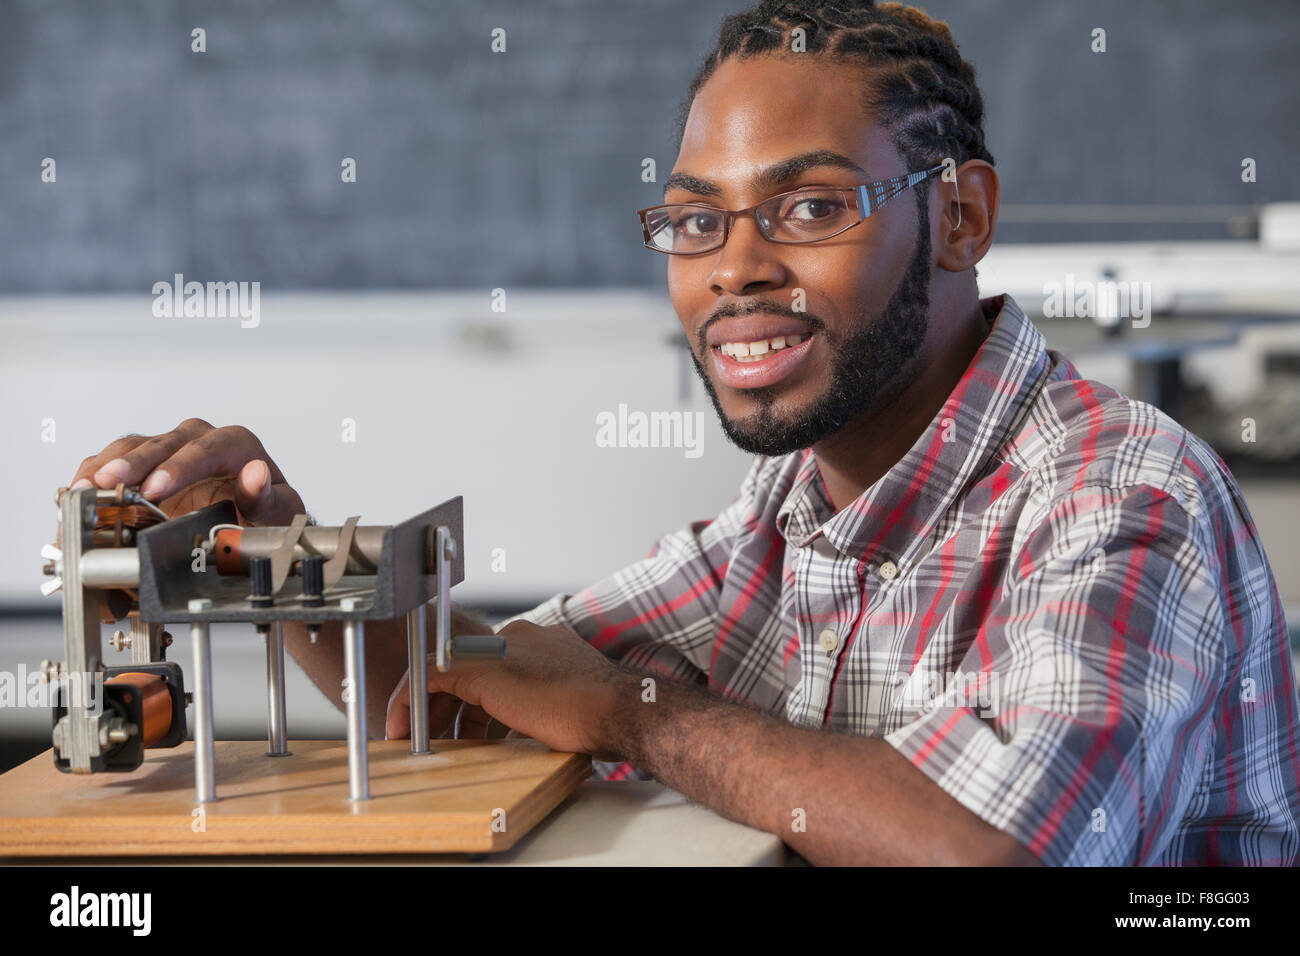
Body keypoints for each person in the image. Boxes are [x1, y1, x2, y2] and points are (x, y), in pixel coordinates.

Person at [68, 0, 1299, 865]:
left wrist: (636, 714)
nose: (734, 270)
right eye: (693, 223)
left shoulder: (1125, 493)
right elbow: (462, 695)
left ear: (962, 214)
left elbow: (990, 848)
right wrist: (277, 544)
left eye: (811, 205)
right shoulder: (785, 519)